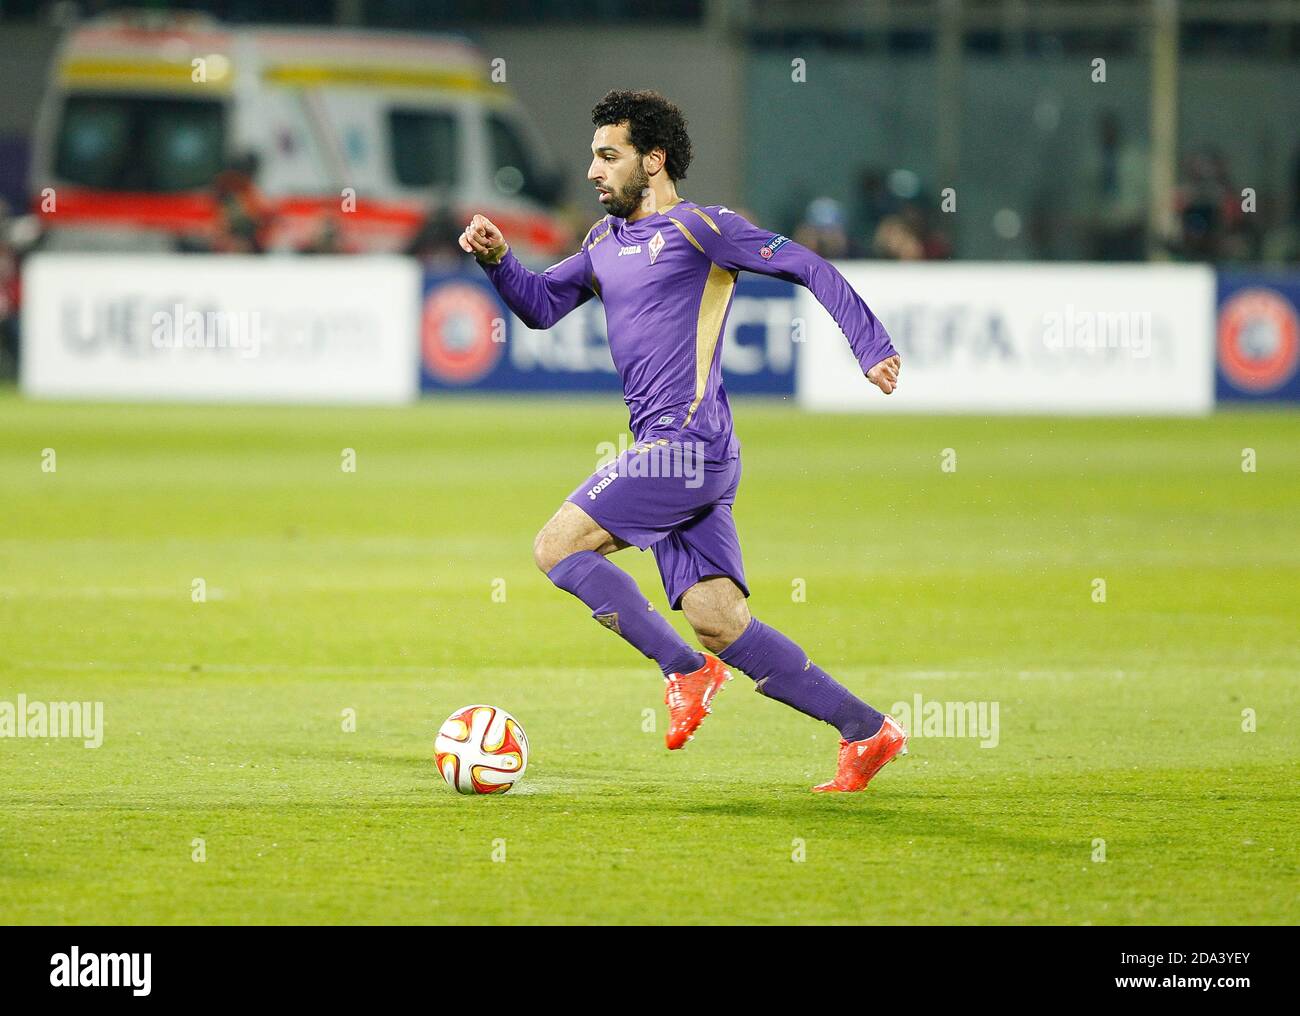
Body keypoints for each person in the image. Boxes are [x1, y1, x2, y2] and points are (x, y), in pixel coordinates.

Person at [459, 89, 906, 792]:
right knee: (719, 620)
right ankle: (866, 730)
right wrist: (497, 262)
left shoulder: (703, 228)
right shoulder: (603, 243)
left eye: (609, 156)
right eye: (593, 157)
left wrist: (869, 343)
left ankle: (685, 672)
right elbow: (541, 307)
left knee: (556, 547)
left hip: (686, 446)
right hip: (682, 455)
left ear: (654, 159)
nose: (592, 172)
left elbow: (808, 266)